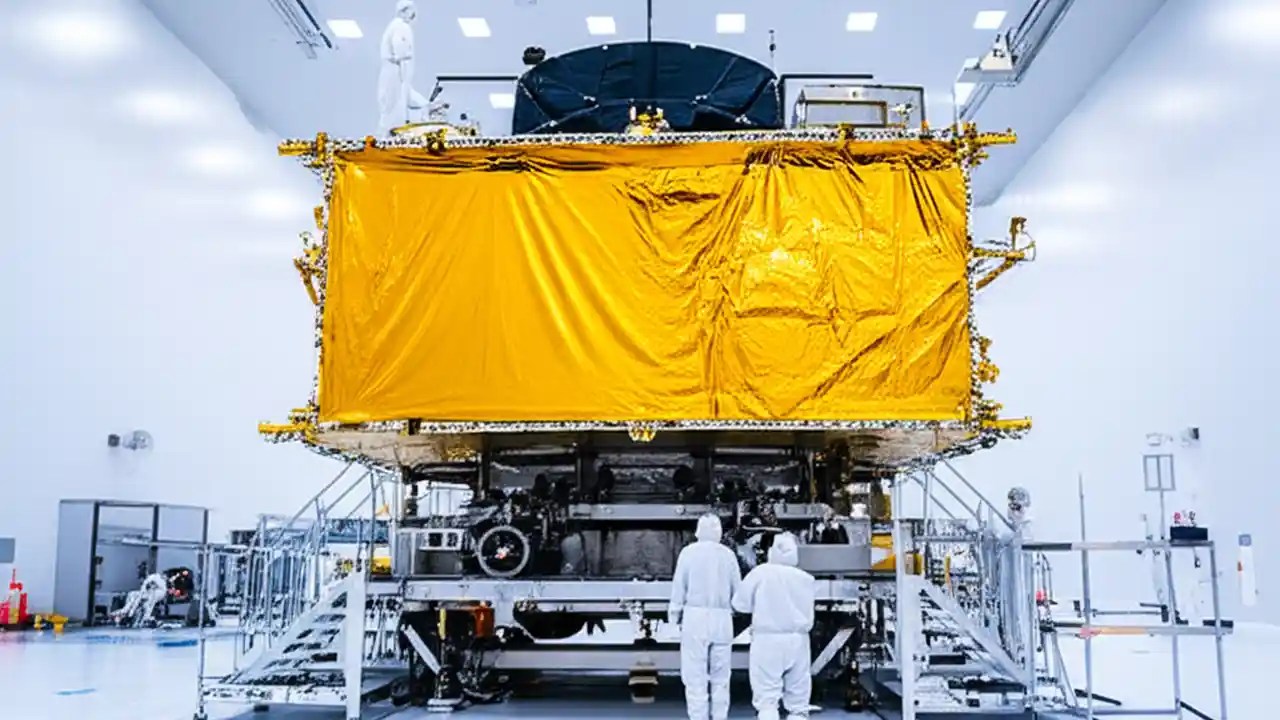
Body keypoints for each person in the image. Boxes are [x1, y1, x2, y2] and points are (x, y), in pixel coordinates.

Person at [733, 532, 816, 720]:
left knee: (767, 701)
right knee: (798, 703)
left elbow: (740, 604)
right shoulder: (806, 579)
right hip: (799, 642)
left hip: (767, 640)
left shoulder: (761, 573)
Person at [669, 514, 742, 720]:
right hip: (722, 620)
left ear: (698, 531)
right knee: (721, 677)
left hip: (695, 618)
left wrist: (674, 617)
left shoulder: (688, 553)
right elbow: (738, 593)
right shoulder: (728, 555)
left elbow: (678, 588)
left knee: (695, 677)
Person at [377, 0, 427, 135]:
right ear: (405, 11)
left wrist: (426, 104)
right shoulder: (401, 27)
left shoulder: (394, 26)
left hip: (394, 73)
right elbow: (401, 52)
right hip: (396, 72)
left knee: (394, 104)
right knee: (393, 107)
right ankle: (392, 135)